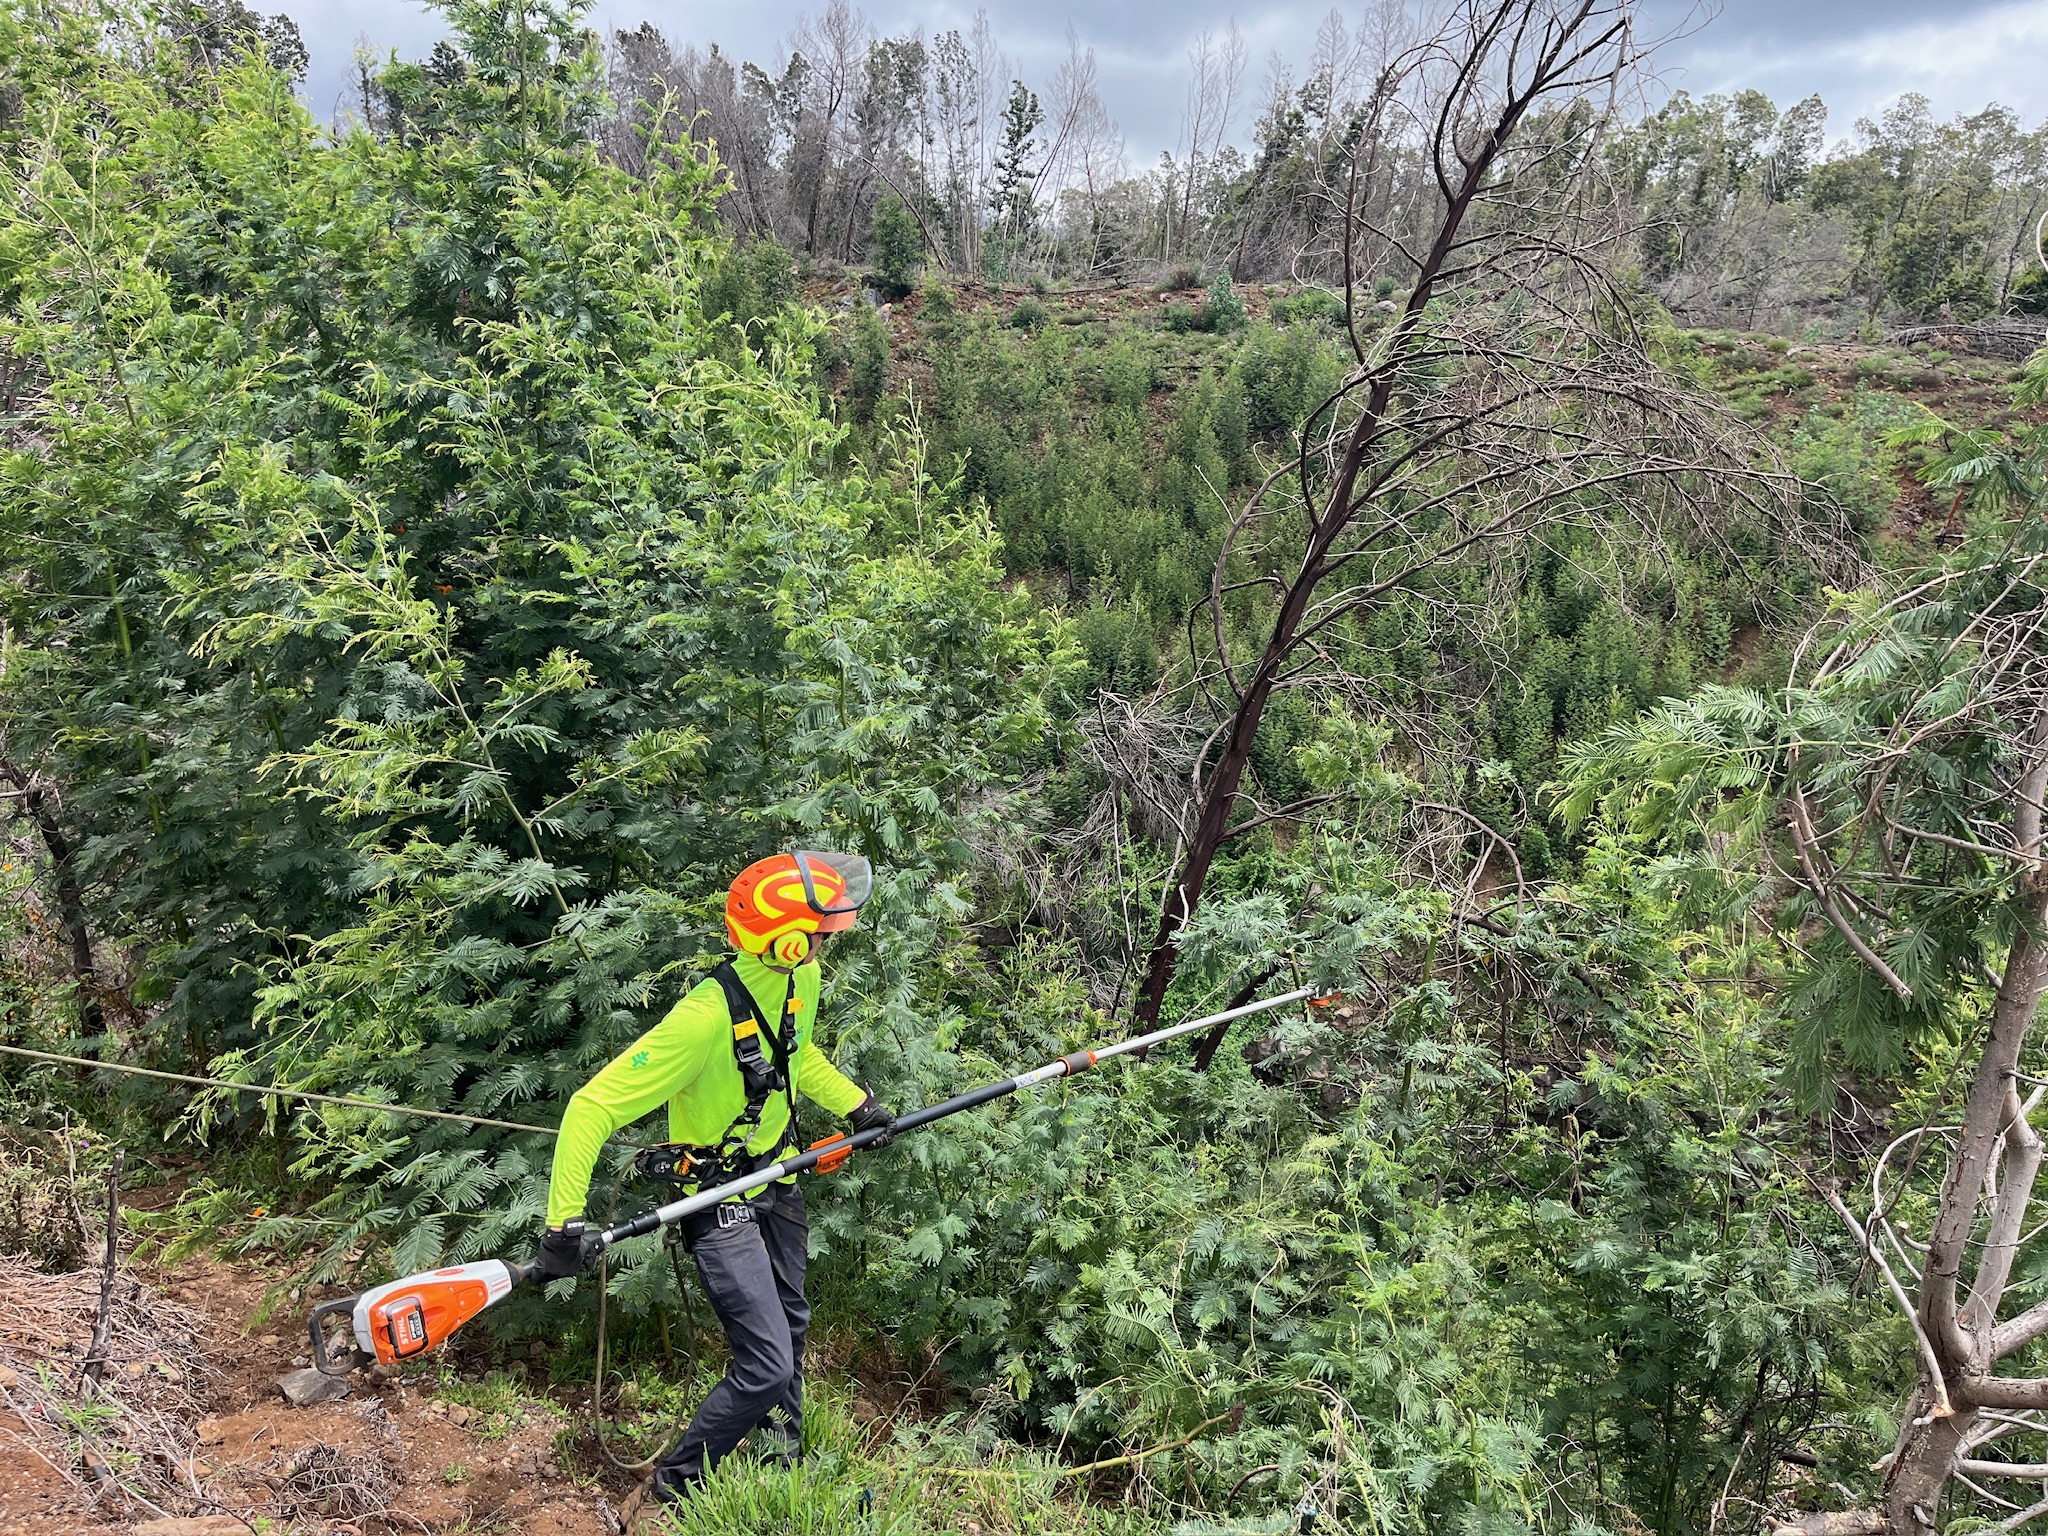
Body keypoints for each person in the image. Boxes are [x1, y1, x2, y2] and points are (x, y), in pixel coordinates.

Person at [533, 850, 897, 1522]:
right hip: (714, 1196)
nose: (826, 946)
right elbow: (591, 1107)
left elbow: (798, 1053)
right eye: (820, 935)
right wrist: (563, 1226)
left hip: (776, 1173)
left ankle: (780, 1461)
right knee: (764, 1363)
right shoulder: (701, 1021)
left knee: (792, 1322)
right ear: (785, 940)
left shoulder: (799, 979)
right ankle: (670, 1488)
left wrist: (857, 1104)